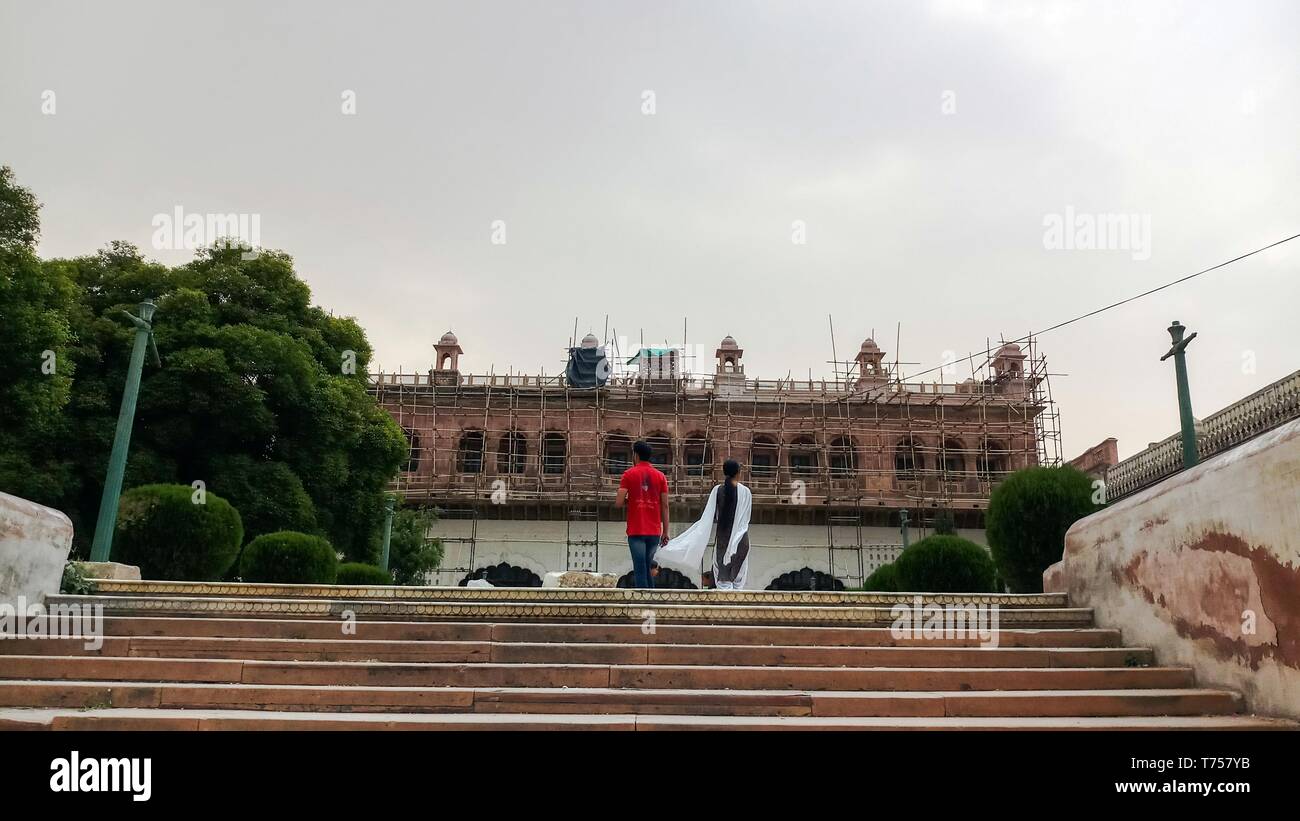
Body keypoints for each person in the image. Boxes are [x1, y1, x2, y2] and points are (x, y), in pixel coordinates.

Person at [653, 458, 753, 590]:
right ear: (738, 472)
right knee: (738, 580)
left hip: (723, 539)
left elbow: (707, 517)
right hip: (741, 540)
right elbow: (745, 520)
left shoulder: (718, 490)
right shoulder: (746, 492)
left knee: (723, 579)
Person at [615, 440, 670, 588]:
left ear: (636, 455)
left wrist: (632, 501)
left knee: (640, 568)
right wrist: (666, 531)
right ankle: (651, 602)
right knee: (647, 567)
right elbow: (665, 505)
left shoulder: (629, 474)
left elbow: (619, 502)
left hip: (636, 530)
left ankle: (642, 603)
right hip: (654, 531)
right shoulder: (660, 477)